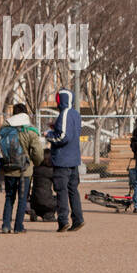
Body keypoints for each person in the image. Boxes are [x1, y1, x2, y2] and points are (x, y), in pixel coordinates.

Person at [0, 104, 45, 232]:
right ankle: (19, 226)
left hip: (8, 169)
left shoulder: (5, 130)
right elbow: (37, 152)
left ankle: (6, 225)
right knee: (22, 199)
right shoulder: (30, 131)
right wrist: (37, 162)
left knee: (9, 197)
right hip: (25, 170)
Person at [45, 89, 84, 232]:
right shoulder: (75, 114)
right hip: (73, 159)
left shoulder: (65, 113)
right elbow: (72, 132)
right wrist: (55, 126)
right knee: (73, 190)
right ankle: (78, 219)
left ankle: (63, 221)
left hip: (62, 160)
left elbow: (63, 137)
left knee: (61, 191)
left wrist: (48, 134)